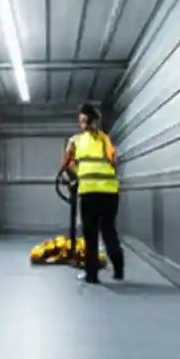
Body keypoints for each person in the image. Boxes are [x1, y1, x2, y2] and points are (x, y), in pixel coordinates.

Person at [61, 102, 125, 284]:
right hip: (109, 192)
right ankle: (118, 270)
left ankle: (92, 275)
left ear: (87, 121)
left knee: (91, 235)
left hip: (89, 192)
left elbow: (66, 164)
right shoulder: (106, 140)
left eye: (83, 120)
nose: (82, 124)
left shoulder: (75, 141)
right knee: (109, 231)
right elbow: (114, 162)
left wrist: (76, 177)